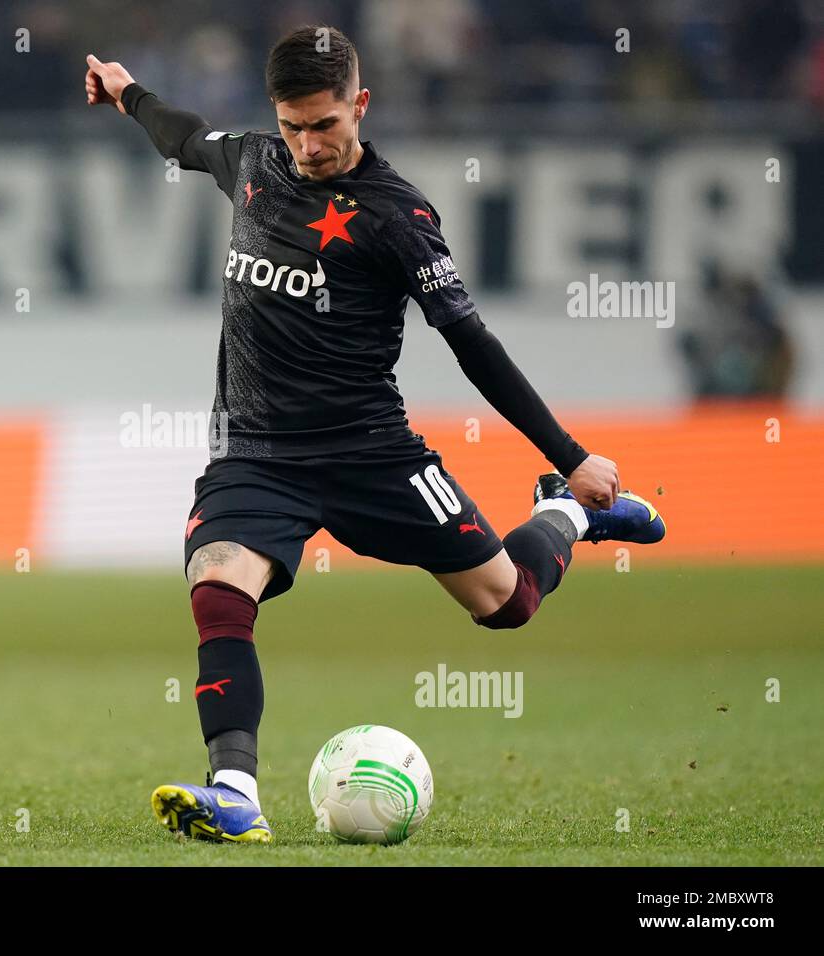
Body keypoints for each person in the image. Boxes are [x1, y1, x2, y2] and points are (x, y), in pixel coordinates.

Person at [84, 25, 666, 844]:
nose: (308, 145)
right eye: (292, 125)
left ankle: (565, 515)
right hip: (257, 456)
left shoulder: (399, 216)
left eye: (325, 124)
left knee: (506, 604)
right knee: (217, 588)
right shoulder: (253, 164)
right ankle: (236, 792)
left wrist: (570, 460)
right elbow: (182, 136)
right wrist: (127, 93)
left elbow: (473, 345)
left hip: (372, 453)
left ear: (360, 105)